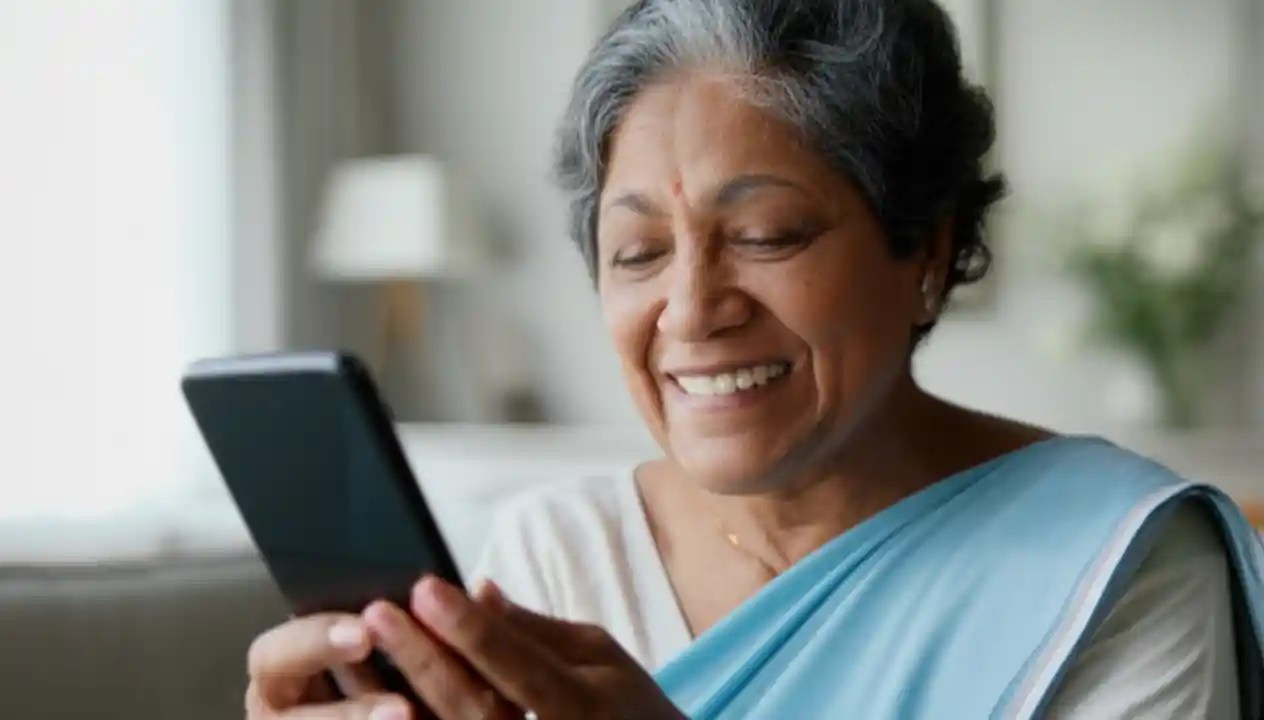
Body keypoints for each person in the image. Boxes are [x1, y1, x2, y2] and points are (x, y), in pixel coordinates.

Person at [243, 1, 1264, 718]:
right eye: (636, 252)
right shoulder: (556, 559)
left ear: (927, 249)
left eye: (767, 234)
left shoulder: (1114, 559)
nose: (690, 309)